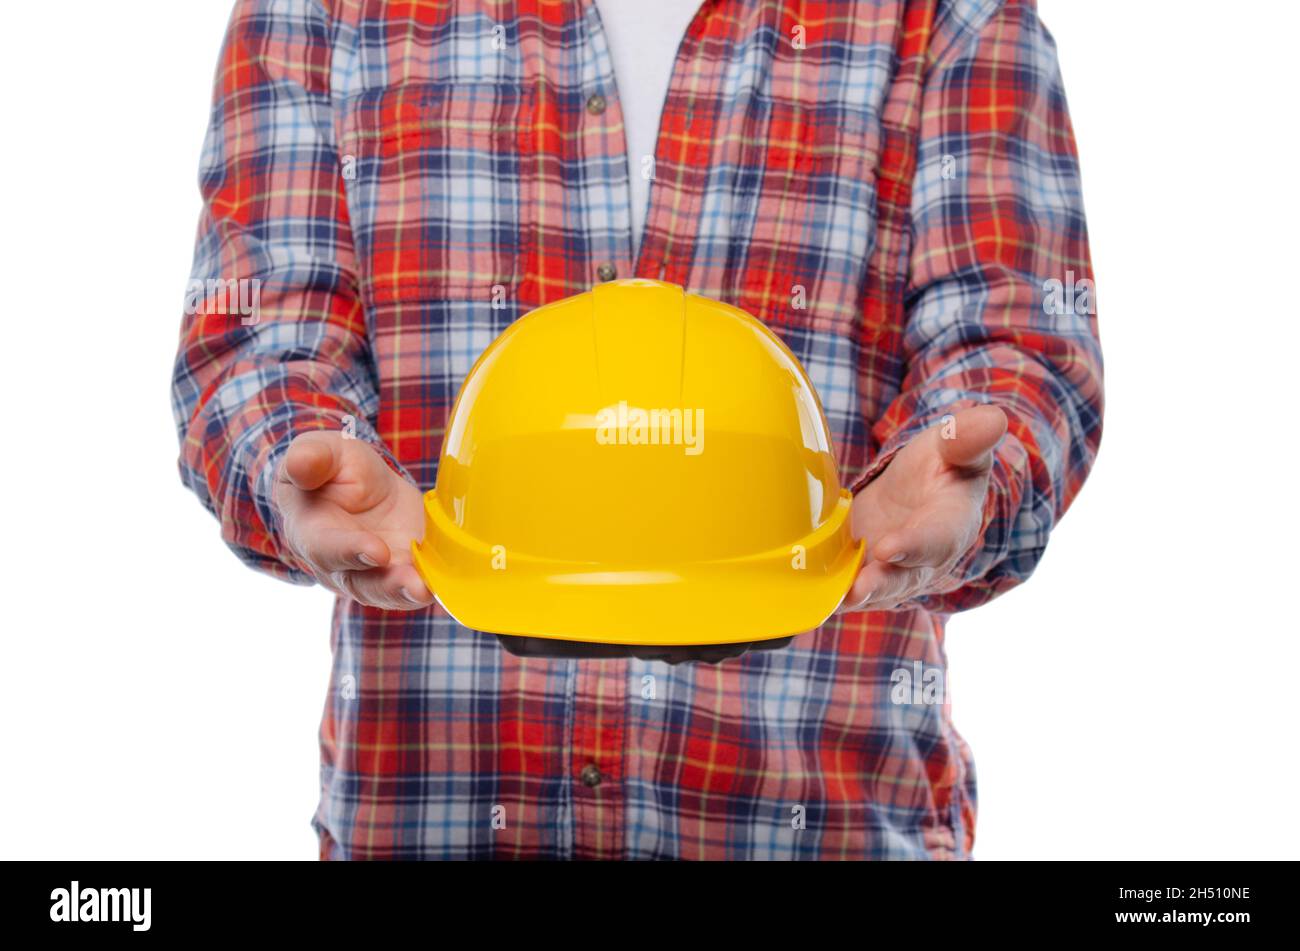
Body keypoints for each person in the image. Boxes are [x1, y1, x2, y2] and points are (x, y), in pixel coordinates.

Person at [173, 0, 1102, 860]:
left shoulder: (950, 14)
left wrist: (967, 474)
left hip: (830, 820)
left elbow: (1017, 347)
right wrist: (296, 458)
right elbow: (255, 344)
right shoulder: (317, 9)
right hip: (426, 813)